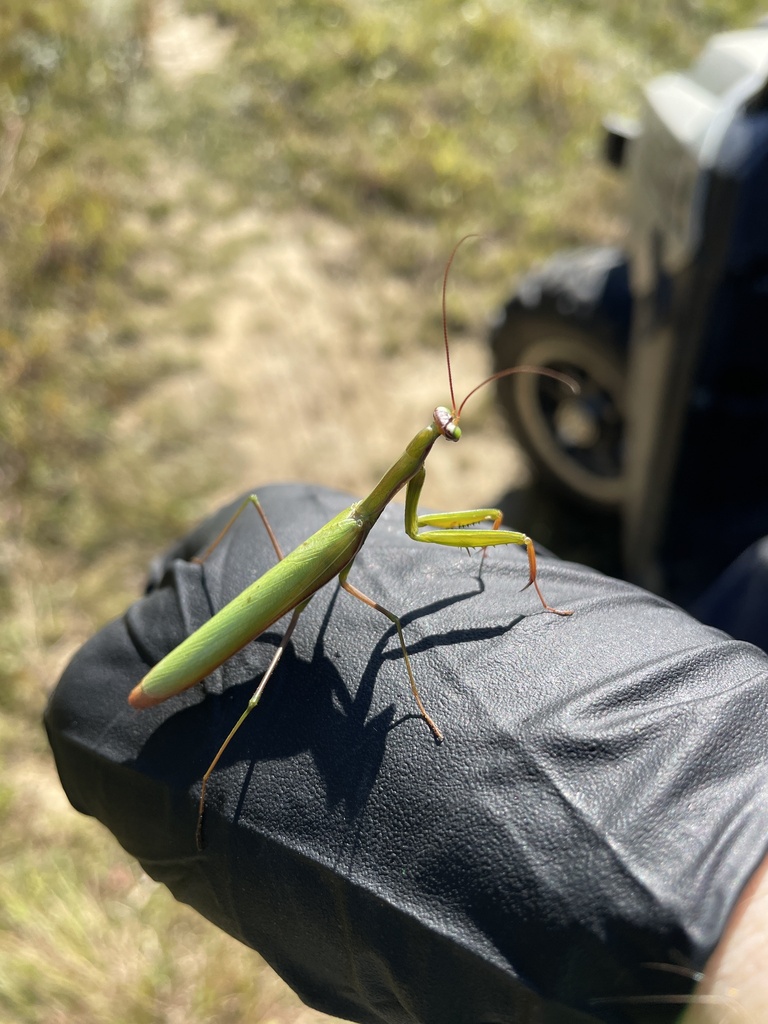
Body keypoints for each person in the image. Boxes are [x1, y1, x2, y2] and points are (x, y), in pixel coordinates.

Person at [45, 484, 768, 1023]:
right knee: (277, 681)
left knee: (277, 514)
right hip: (243, 631)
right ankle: (211, 774)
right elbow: (402, 573)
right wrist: (418, 703)